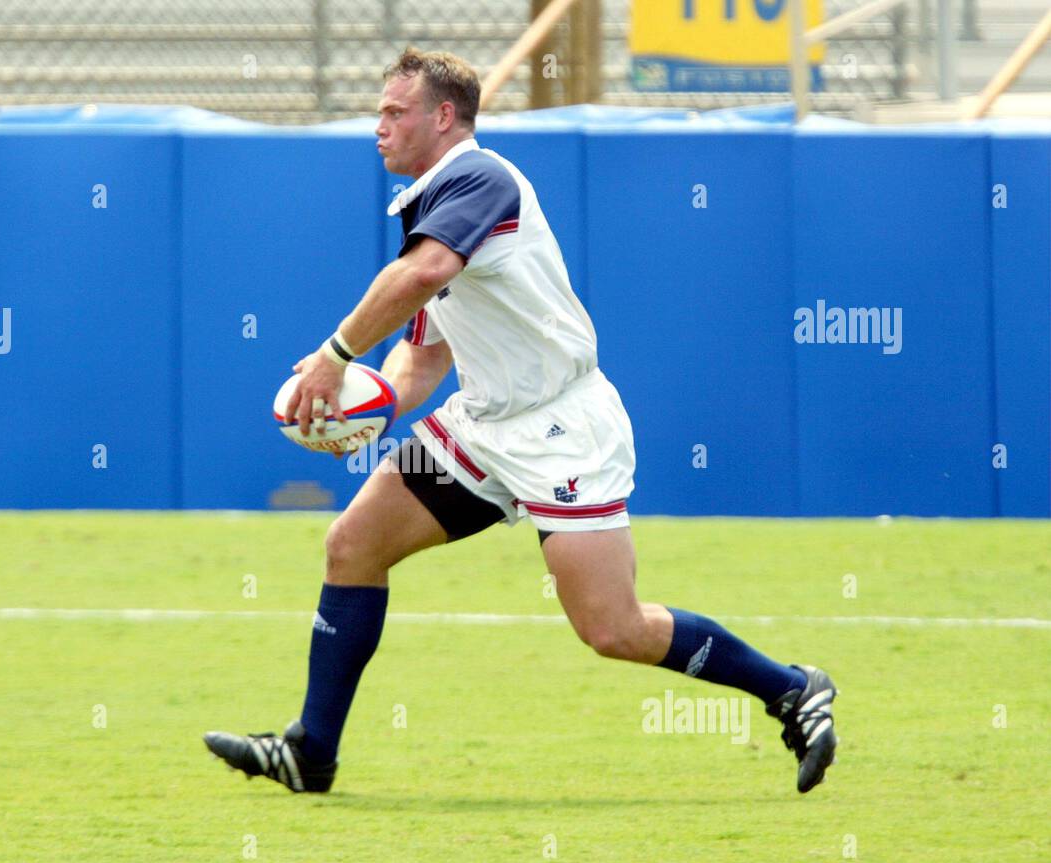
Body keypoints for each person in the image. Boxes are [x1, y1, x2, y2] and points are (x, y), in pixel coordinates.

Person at [204, 47, 838, 795]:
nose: (378, 127)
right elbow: (422, 368)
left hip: (560, 426)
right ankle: (310, 753)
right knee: (352, 544)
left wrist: (335, 355)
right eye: (378, 113)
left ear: (443, 118)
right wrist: (361, 410)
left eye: (393, 113)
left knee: (612, 628)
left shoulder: (478, 177)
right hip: (482, 426)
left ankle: (792, 688)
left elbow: (425, 275)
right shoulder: (431, 207)